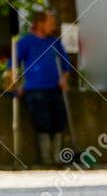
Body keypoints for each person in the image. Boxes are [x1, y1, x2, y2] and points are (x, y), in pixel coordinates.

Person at [11, 10, 72, 167]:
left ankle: (57, 157)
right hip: (34, 89)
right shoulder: (25, 42)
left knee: (59, 121)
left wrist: (64, 79)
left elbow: (65, 63)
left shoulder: (54, 42)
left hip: (54, 88)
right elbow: (13, 64)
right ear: (40, 23)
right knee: (42, 122)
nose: (53, 26)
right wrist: (16, 84)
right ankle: (46, 158)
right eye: (50, 22)